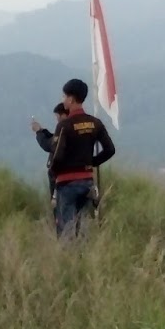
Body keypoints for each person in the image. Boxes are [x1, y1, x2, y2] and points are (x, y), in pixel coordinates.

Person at [46, 79, 114, 238]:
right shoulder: (95, 123)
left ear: (71, 99)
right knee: (85, 230)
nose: (63, 100)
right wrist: (92, 162)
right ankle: (86, 253)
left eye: (64, 96)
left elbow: (57, 155)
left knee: (67, 230)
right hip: (87, 182)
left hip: (66, 184)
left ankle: (69, 253)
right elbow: (110, 149)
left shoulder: (64, 125)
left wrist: (54, 173)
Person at [29, 103, 69, 204]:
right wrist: (42, 131)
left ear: (64, 115)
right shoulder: (71, 129)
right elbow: (53, 139)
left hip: (61, 180)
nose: (57, 119)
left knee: (62, 209)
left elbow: (49, 145)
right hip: (70, 179)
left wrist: (38, 132)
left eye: (57, 116)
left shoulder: (65, 130)